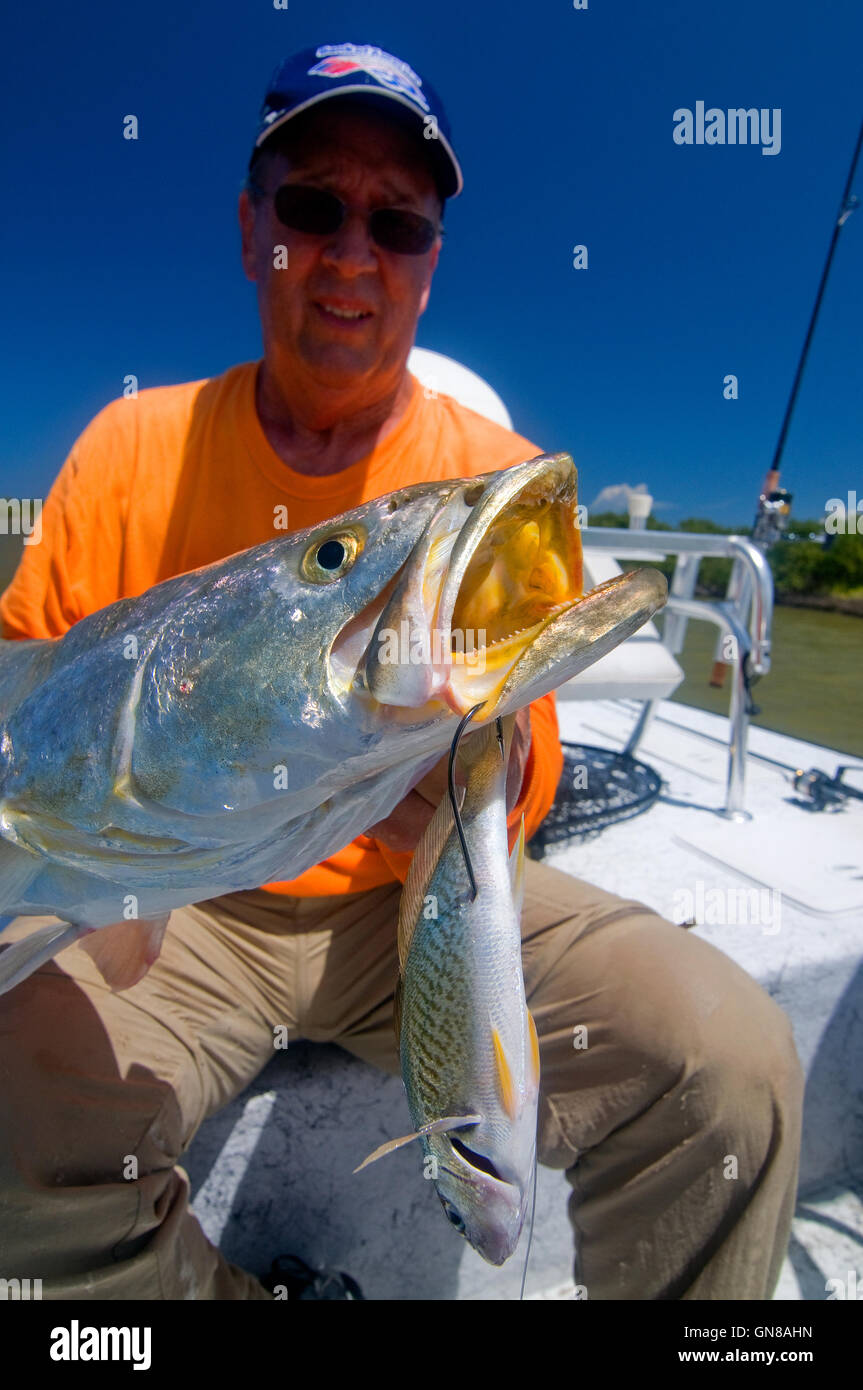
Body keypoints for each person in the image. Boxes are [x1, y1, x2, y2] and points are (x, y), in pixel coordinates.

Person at [0, 42, 803, 1300]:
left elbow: (521, 770)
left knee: (726, 1061)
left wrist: (474, 776)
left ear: (429, 264)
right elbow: (34, 708)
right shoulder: (128, 447)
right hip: (171, 912)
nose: (350, 254)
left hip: (414, 902)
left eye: (398, 223)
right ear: (252, 229)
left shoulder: (491, 483)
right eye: (312, 206)